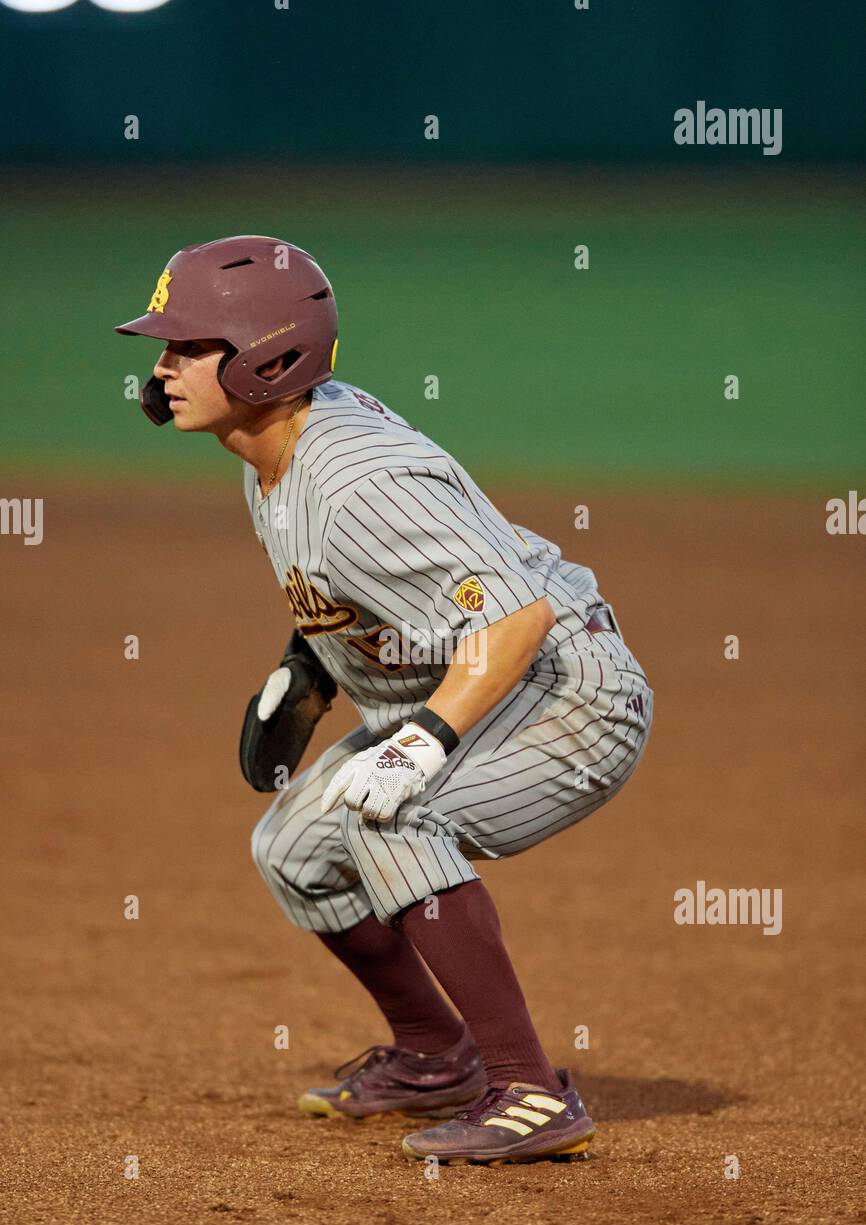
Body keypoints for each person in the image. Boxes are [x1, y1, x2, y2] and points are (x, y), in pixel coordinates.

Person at [115, 235, 653, 1165]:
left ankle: (529, 1092)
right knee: (293, 850)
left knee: (391, 818)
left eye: (186, 346)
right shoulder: (268, 446)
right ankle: (436, 1054)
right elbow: (368, 591)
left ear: (267, 357)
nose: (161, 367)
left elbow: (516, 620)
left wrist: (421, 746)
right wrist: (311, 668)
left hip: (569, 691)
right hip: (482, 678)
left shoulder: (361, 480)